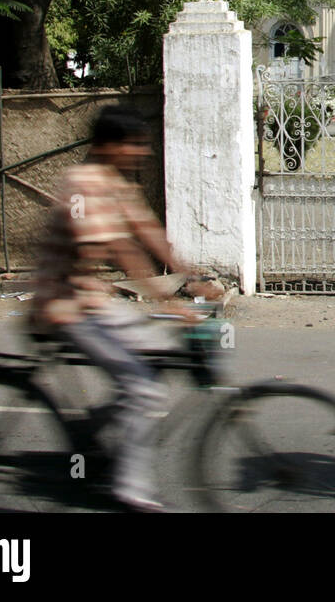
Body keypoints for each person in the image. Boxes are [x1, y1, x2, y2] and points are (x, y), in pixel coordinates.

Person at [30, 105, 222, 511]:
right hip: (64, 307)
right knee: (144, 388)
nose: (142, 152)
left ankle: (98, 429)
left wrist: (195, 278)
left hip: (91, 300)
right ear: (110, 146)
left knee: (158, 354)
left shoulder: (116, 183)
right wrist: (171, 304)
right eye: (134, 144)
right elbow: (122, 250)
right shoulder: (82, 185)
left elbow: (150, 234)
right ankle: (130, 490)